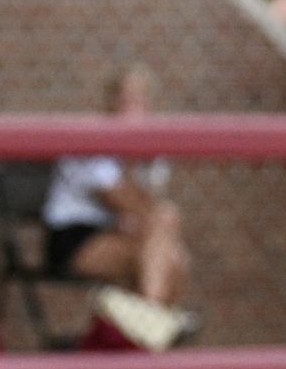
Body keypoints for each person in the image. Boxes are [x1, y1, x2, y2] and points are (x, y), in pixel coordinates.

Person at [42, 65, 194, 352]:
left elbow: (146, 209)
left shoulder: (151, 148)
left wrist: (142, 161)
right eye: (127, 101)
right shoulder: (89, 139)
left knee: (174, 257)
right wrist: (132, 162)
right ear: (110, 104)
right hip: (76, 239)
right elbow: (119, 200)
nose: (134, 110)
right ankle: (151, 335)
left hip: (127, 237)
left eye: (142, 101)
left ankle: (141, 332)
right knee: (168, 240)